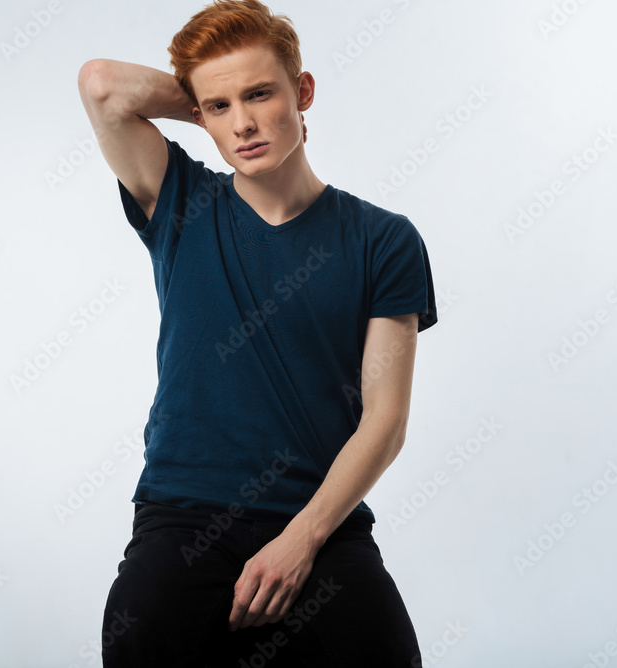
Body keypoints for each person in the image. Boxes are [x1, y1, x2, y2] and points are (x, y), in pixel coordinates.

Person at [77, 1, 437, 665]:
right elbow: (101, 83)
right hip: (183, 517)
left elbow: (385, 421)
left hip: (323, 523)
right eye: (219, 108)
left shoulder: (384, 240)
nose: (241, 124)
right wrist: (205, 102)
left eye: (260, 94)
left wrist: (302, 539)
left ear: (303, 92)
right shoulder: (179, 199)